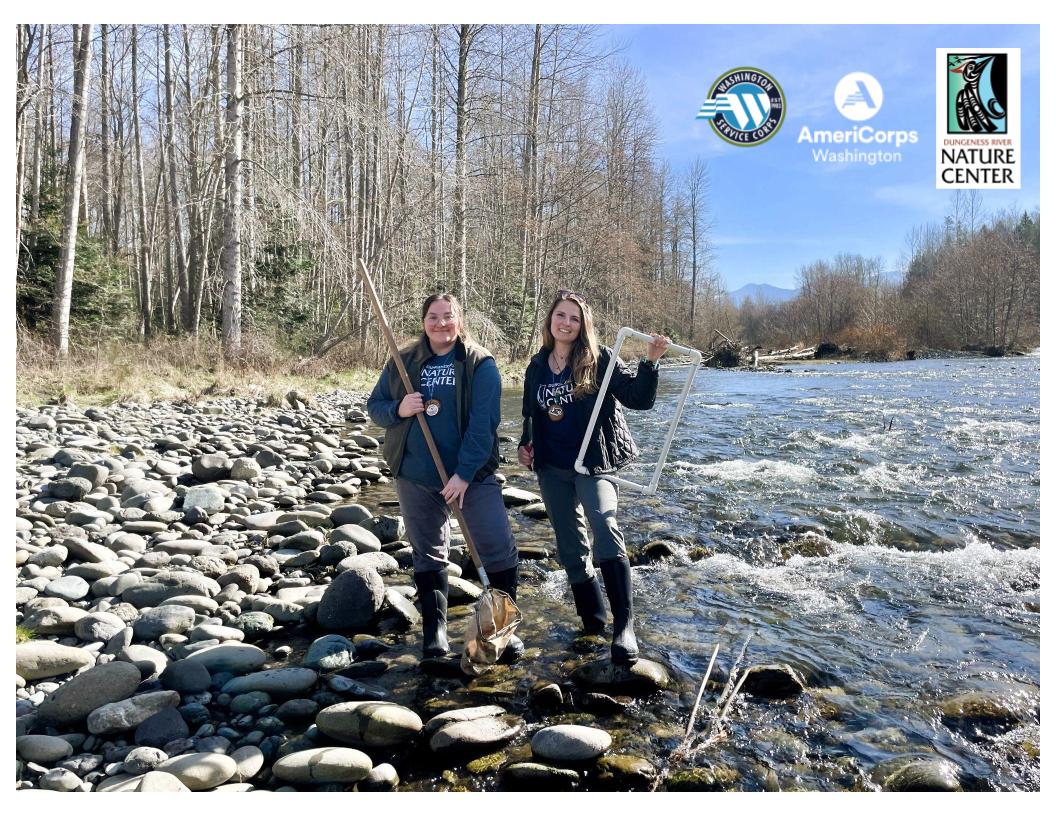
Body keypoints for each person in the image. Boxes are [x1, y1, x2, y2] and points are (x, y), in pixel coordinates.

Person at [518, 290, 669, 665]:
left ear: (583, 325)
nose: (566, 323)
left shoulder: (599, 358)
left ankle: (624, 626)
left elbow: (638, 399)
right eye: (561, 316)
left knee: (604, 524)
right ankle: (592, 622)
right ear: (550, 320)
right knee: (570, 548)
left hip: (593, 463)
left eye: (574, 318)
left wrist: (650, 362)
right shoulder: (536, 366)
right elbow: (530, 415)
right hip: (551, 468)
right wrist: (525, 444)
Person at [368, 293, 521, 662]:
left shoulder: (479, 363)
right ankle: (434, 636)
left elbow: (484, 426)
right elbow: (375, 408)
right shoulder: (404, 360)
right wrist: (399, 408)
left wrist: (464, 475)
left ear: (459, 320)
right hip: (415, 472)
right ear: (424, 321)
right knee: (429, 554)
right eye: (433, 317)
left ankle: (499, 631)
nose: (441, 324)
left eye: (448, 317)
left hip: (471, 475)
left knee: (497, 546)